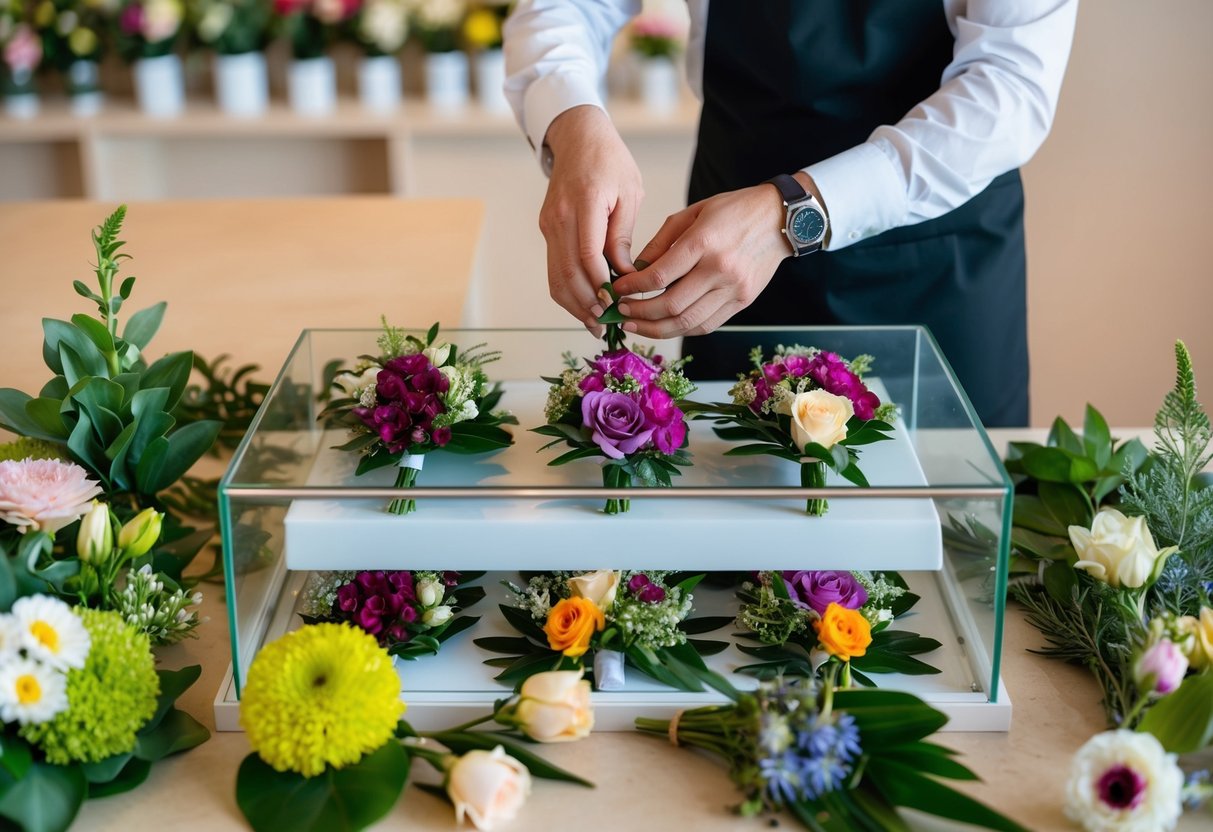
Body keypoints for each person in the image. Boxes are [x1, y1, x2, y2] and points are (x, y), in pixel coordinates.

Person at [502, 1, 1078, 426]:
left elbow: (1011, 84)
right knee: (737, 524)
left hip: (937, 259)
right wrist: (571, 122)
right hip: (724, 252)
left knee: (951, 535)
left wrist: (795, 209)